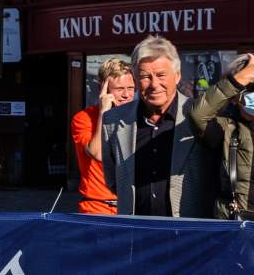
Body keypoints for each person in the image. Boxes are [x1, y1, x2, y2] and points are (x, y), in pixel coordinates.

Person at [87, 35, 218, 218]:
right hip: (136, 233)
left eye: (161, 75)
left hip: (188, 234)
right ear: (135, 78)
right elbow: (115, 180)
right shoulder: (113, 120)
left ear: (178, 76)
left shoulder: (198, 117)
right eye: (145, 76)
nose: (154, 84)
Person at [192, 50, 254, 219]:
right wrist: (240, 78)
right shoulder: (227, 128)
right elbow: (199, 115)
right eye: (247, 88)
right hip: (236, 225)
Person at [69, 57, 131, 214]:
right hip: (97, 206)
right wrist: (104, 113)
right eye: (119, 89)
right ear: (103, 89)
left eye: (130, 88)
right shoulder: (84, 118)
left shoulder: (137, 117)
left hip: (131, 205)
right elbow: (97, 153)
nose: (126, 94)